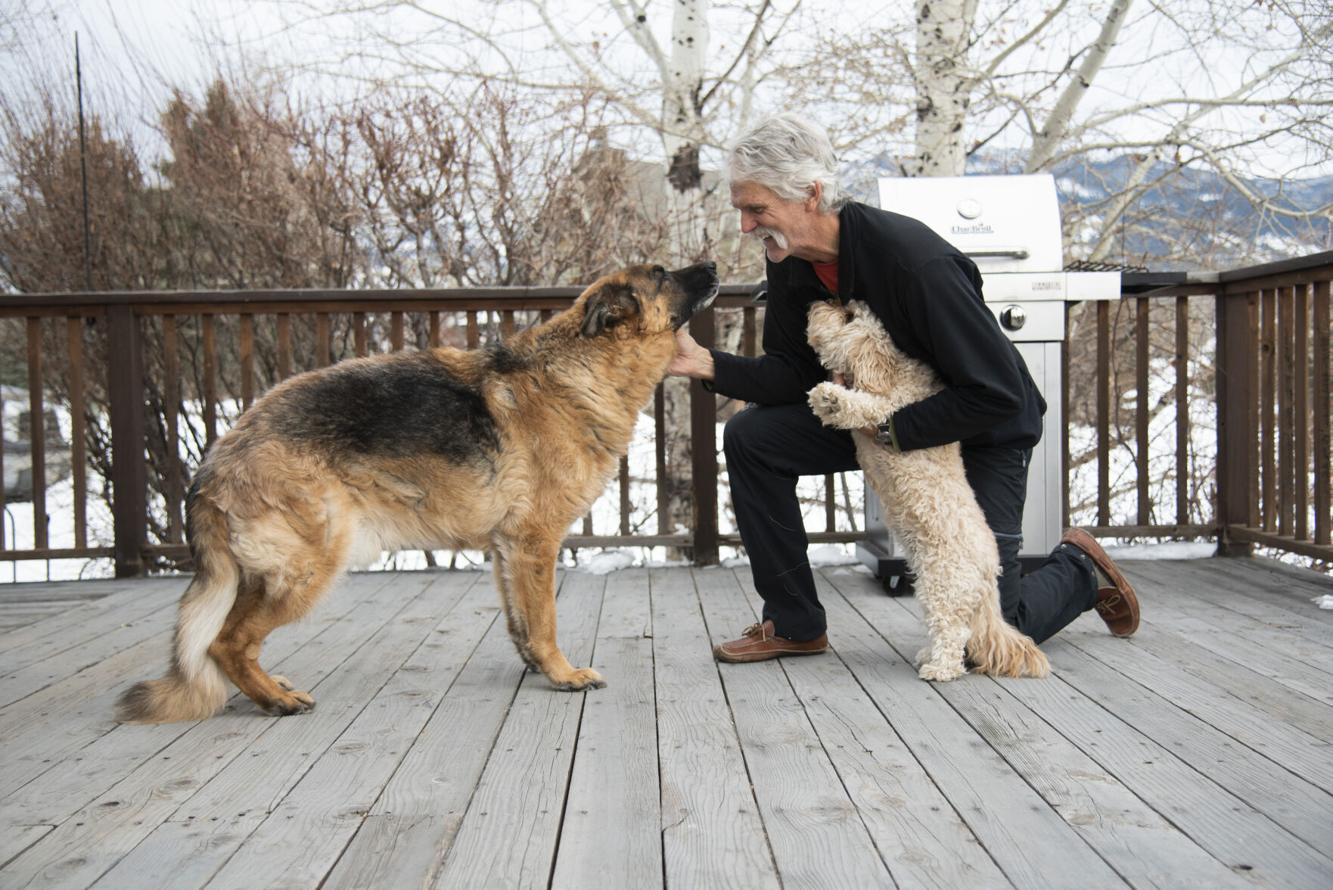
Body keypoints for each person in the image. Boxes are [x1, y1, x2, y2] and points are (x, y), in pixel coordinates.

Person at [668, 112, 1140, 664]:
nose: (747, 227)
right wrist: (706, 364)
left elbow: (998, 395)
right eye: (742, 210)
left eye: (757, 209)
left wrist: (885, 427)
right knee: (753, 436)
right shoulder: (791, 261)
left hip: (979, 432)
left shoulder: (916, 263)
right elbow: (795, 375)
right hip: (881, 419)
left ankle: (1080, 570)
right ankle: (793, 622)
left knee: (983, 638)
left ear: (810, 195)